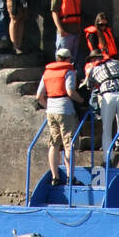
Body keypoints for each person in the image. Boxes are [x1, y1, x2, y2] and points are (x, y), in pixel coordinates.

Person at [35, 49, 86, 187]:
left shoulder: (47, 72)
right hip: (65, 109)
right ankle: (70, 178)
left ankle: (55, 177)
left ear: (57, 58)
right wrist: (81, 100)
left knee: (54, 144)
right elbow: (70, 92)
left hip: (51, 110)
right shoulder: (68, 71)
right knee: (68, 144)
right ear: (68, 58)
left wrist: (48, 107)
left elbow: (39, 96)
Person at [51, 0, 83, 68]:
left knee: (73, 58)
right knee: (62, 57)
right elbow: (54, 13)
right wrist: (60, 29)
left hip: (75, 31)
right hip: (65, 31)